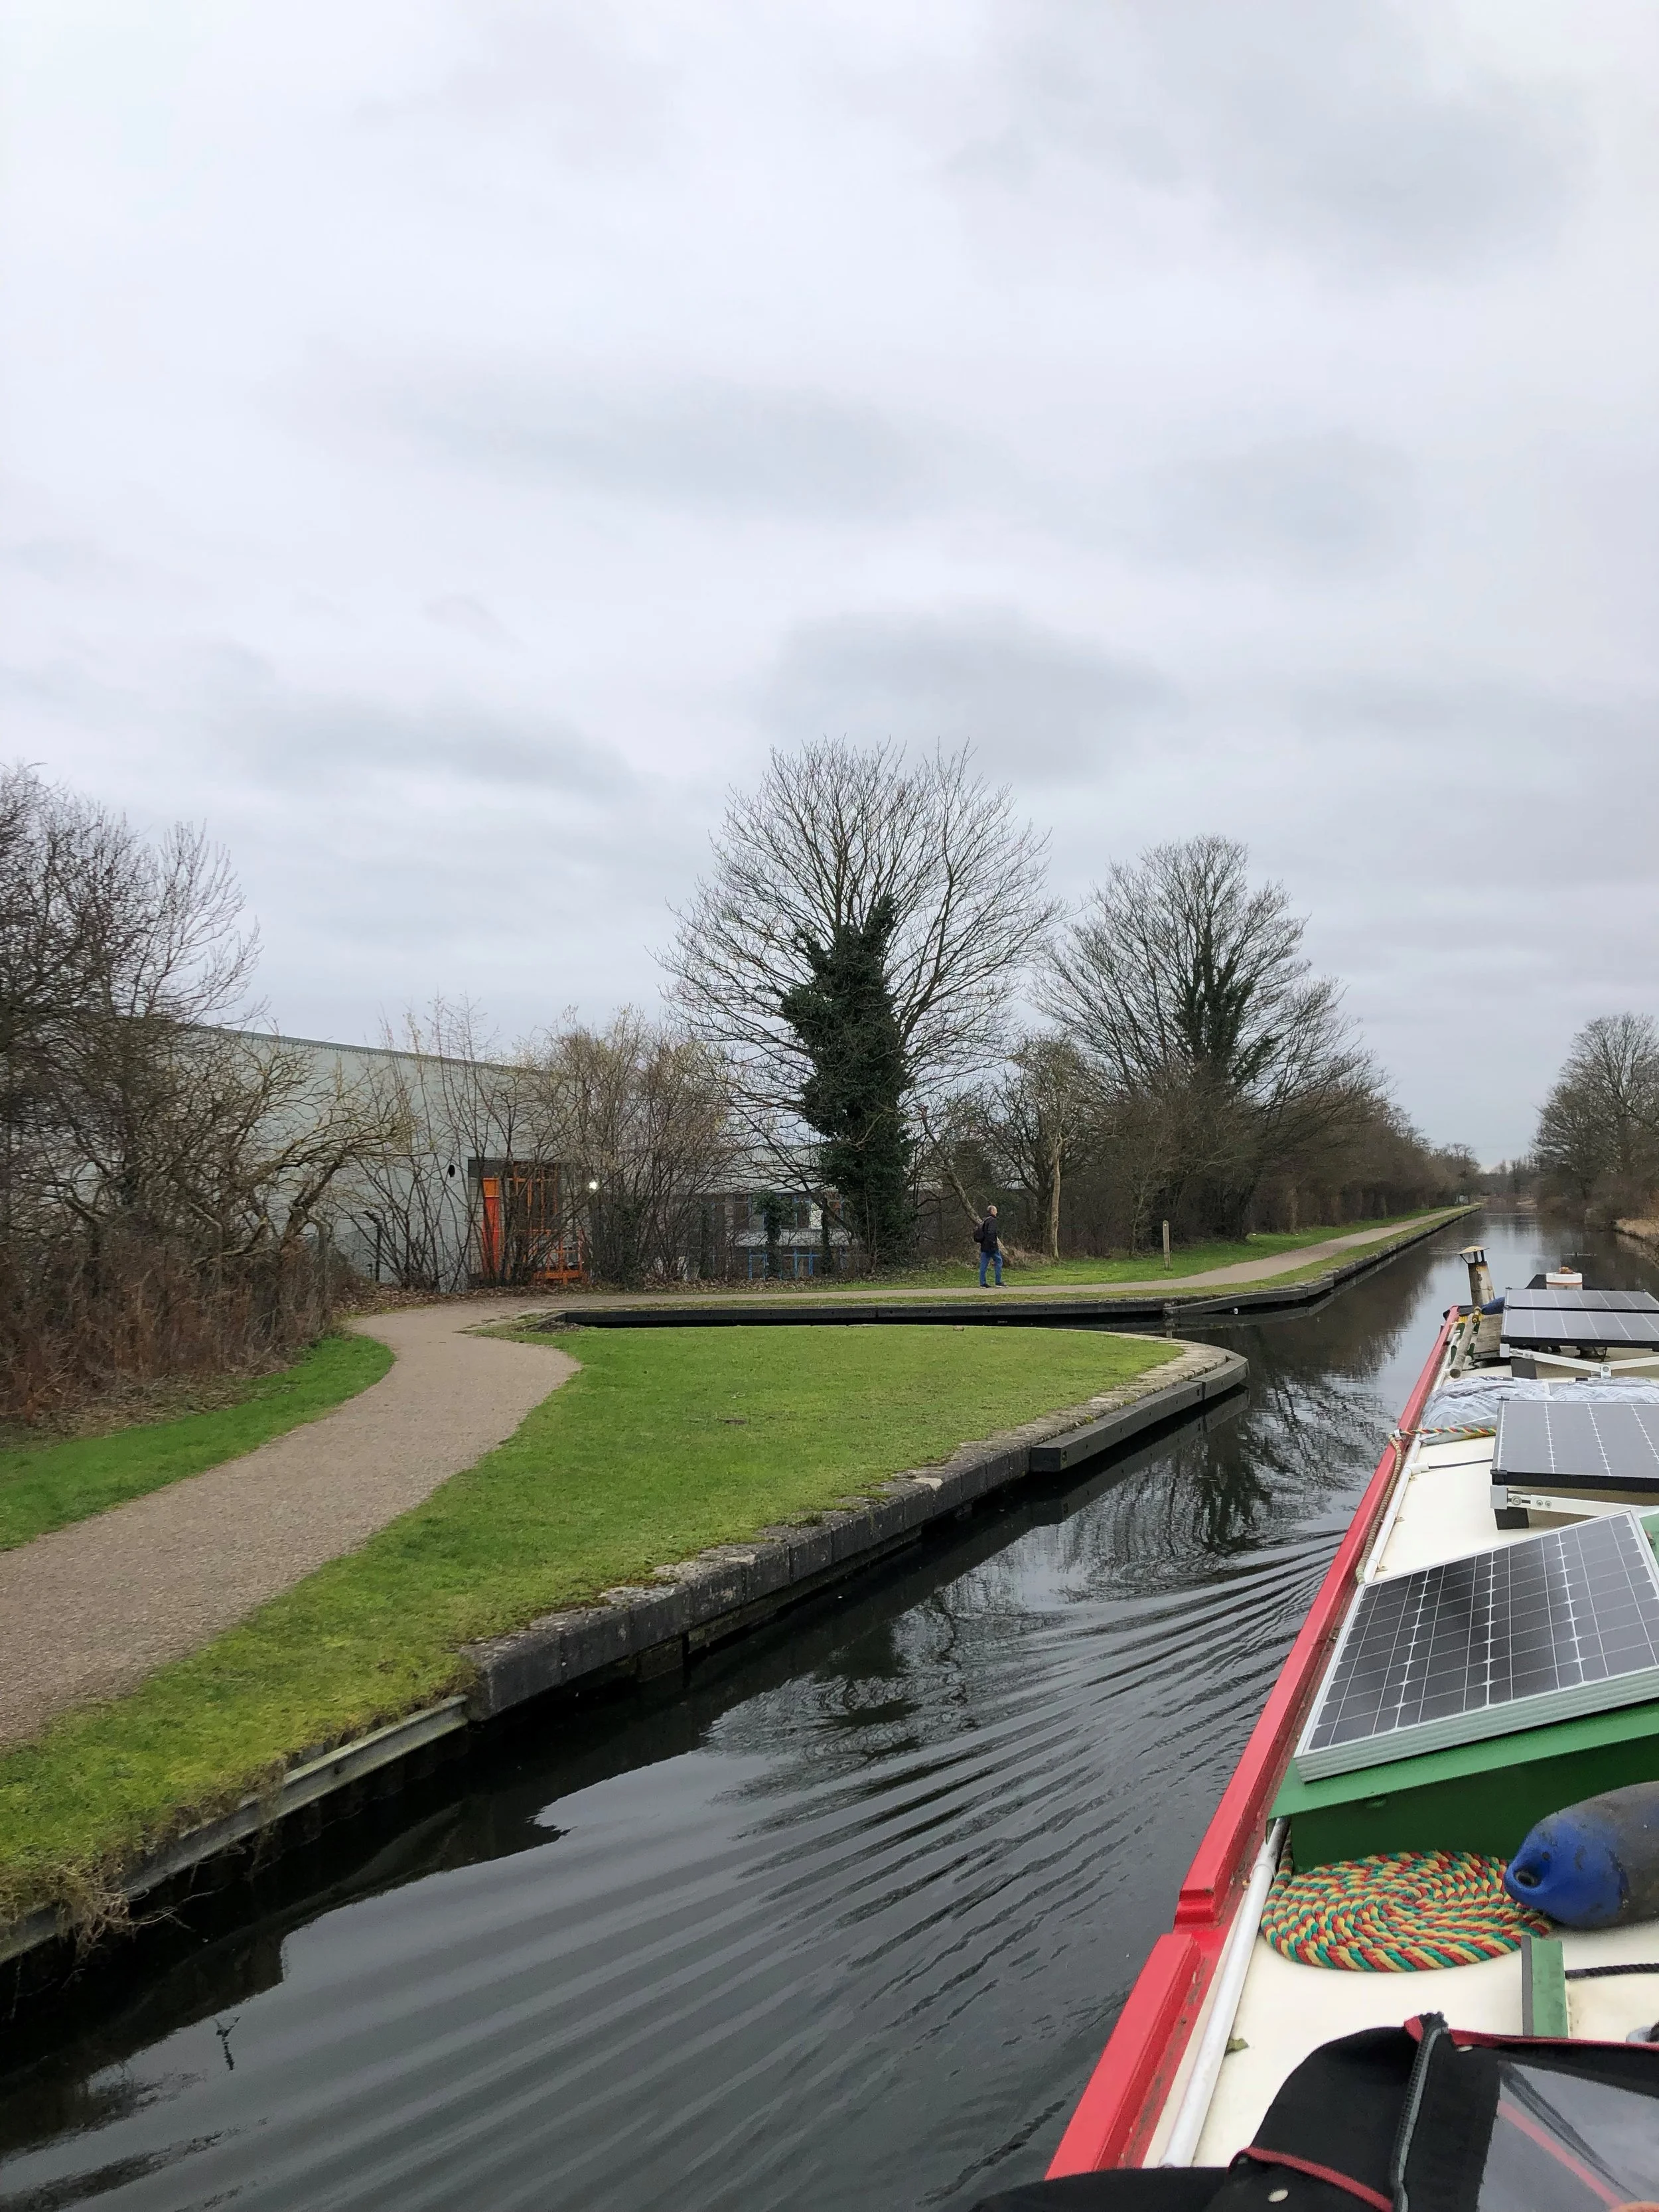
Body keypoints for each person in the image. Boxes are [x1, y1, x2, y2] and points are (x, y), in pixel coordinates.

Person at [976, 1204, 1003, 1288]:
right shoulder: (992, 1220)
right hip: (991, 1247)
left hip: (984, 1246)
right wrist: (994, 1245)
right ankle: (998, 1282)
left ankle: (983, 1283)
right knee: (999, 1262)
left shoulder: (984, 1220)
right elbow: (991, 1233)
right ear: (992, 1211)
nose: (997, 1212)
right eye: (995, 1210)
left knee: (983, 1264)